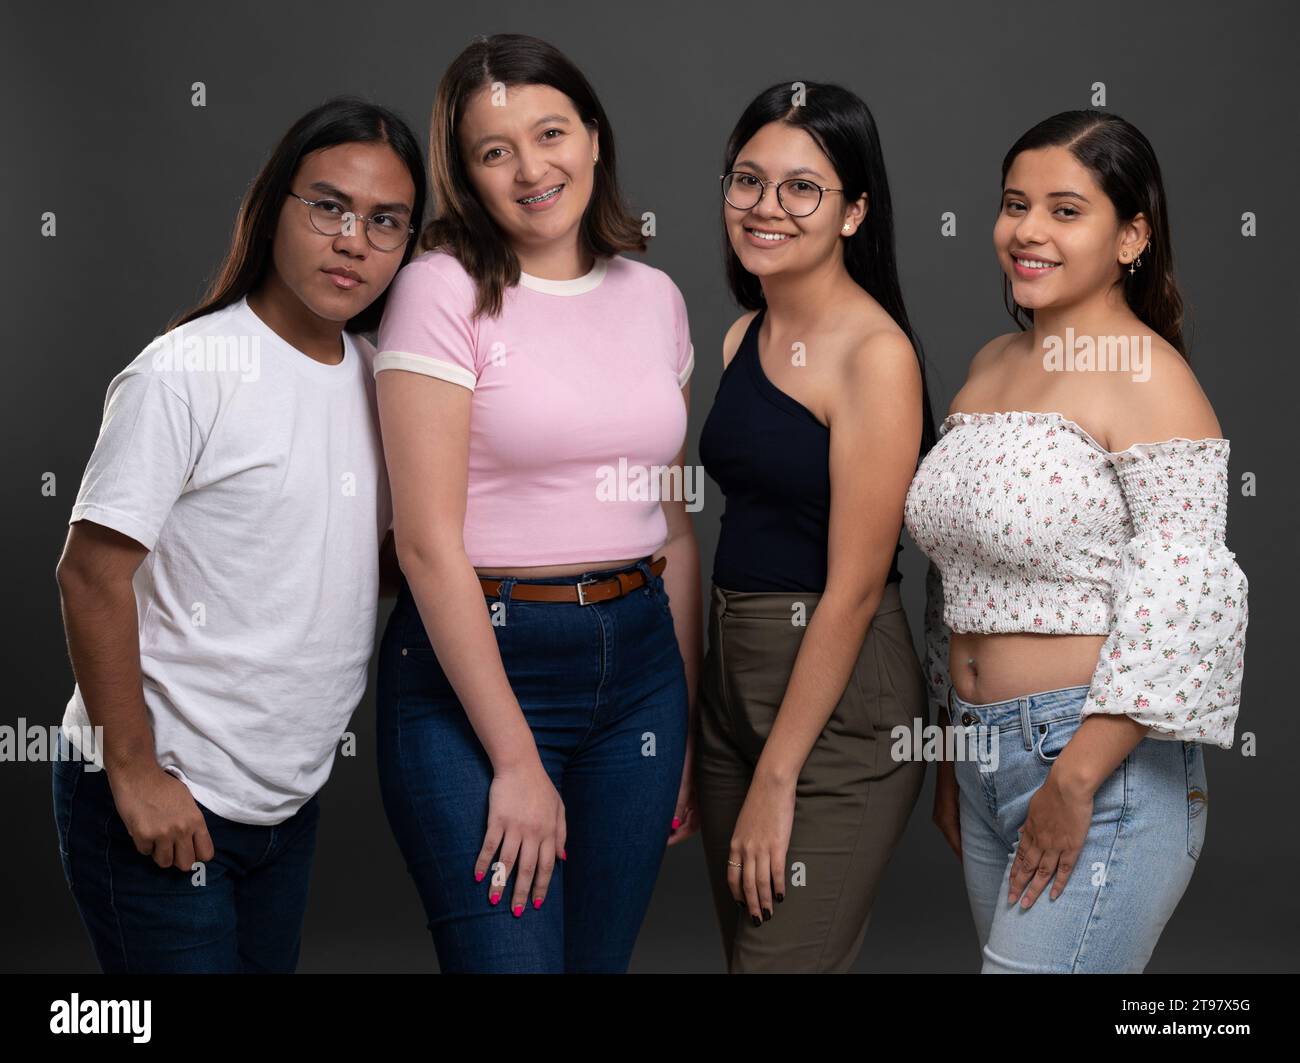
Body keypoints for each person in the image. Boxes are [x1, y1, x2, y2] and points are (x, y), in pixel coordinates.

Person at [52, 97, 425, 973]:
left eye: (385, 221)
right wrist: (137, 776)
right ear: (275, 207)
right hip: (164, 790)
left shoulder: (383, 380)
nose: (353, 240)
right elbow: (88, 576)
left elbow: (337, 560)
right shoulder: (185, 371)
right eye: (328, 206)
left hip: (283, 806)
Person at [372, 33, 700, 973]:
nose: (531, 169)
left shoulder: (655, 296)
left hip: (639, 666)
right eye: (493, 151)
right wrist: (514, 760)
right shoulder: (437, 293)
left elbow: (671, 517)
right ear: (467, 178)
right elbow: (427, 545)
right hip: (477, 668)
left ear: (593, 137)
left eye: (550, 132)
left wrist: (676, 719)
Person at [904, 109, 1249, 973]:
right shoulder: (990, 365)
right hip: (983, 750)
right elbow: (956, 587)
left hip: (1093, 759)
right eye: (1015, 205)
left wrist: (1076, 776)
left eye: (1065, 210)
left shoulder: (1152, 380)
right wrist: (955, 757)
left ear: (1132, 235)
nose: (1027, 231)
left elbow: (1187, 602)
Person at [694, 82, 934, 972]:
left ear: (853, 211)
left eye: (803, 188)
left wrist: (778, 773)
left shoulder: (876, 355)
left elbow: (856, 585)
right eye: (747, 181)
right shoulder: (740, 337)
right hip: (732, 682)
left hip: (835, 701)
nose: (766, 208)